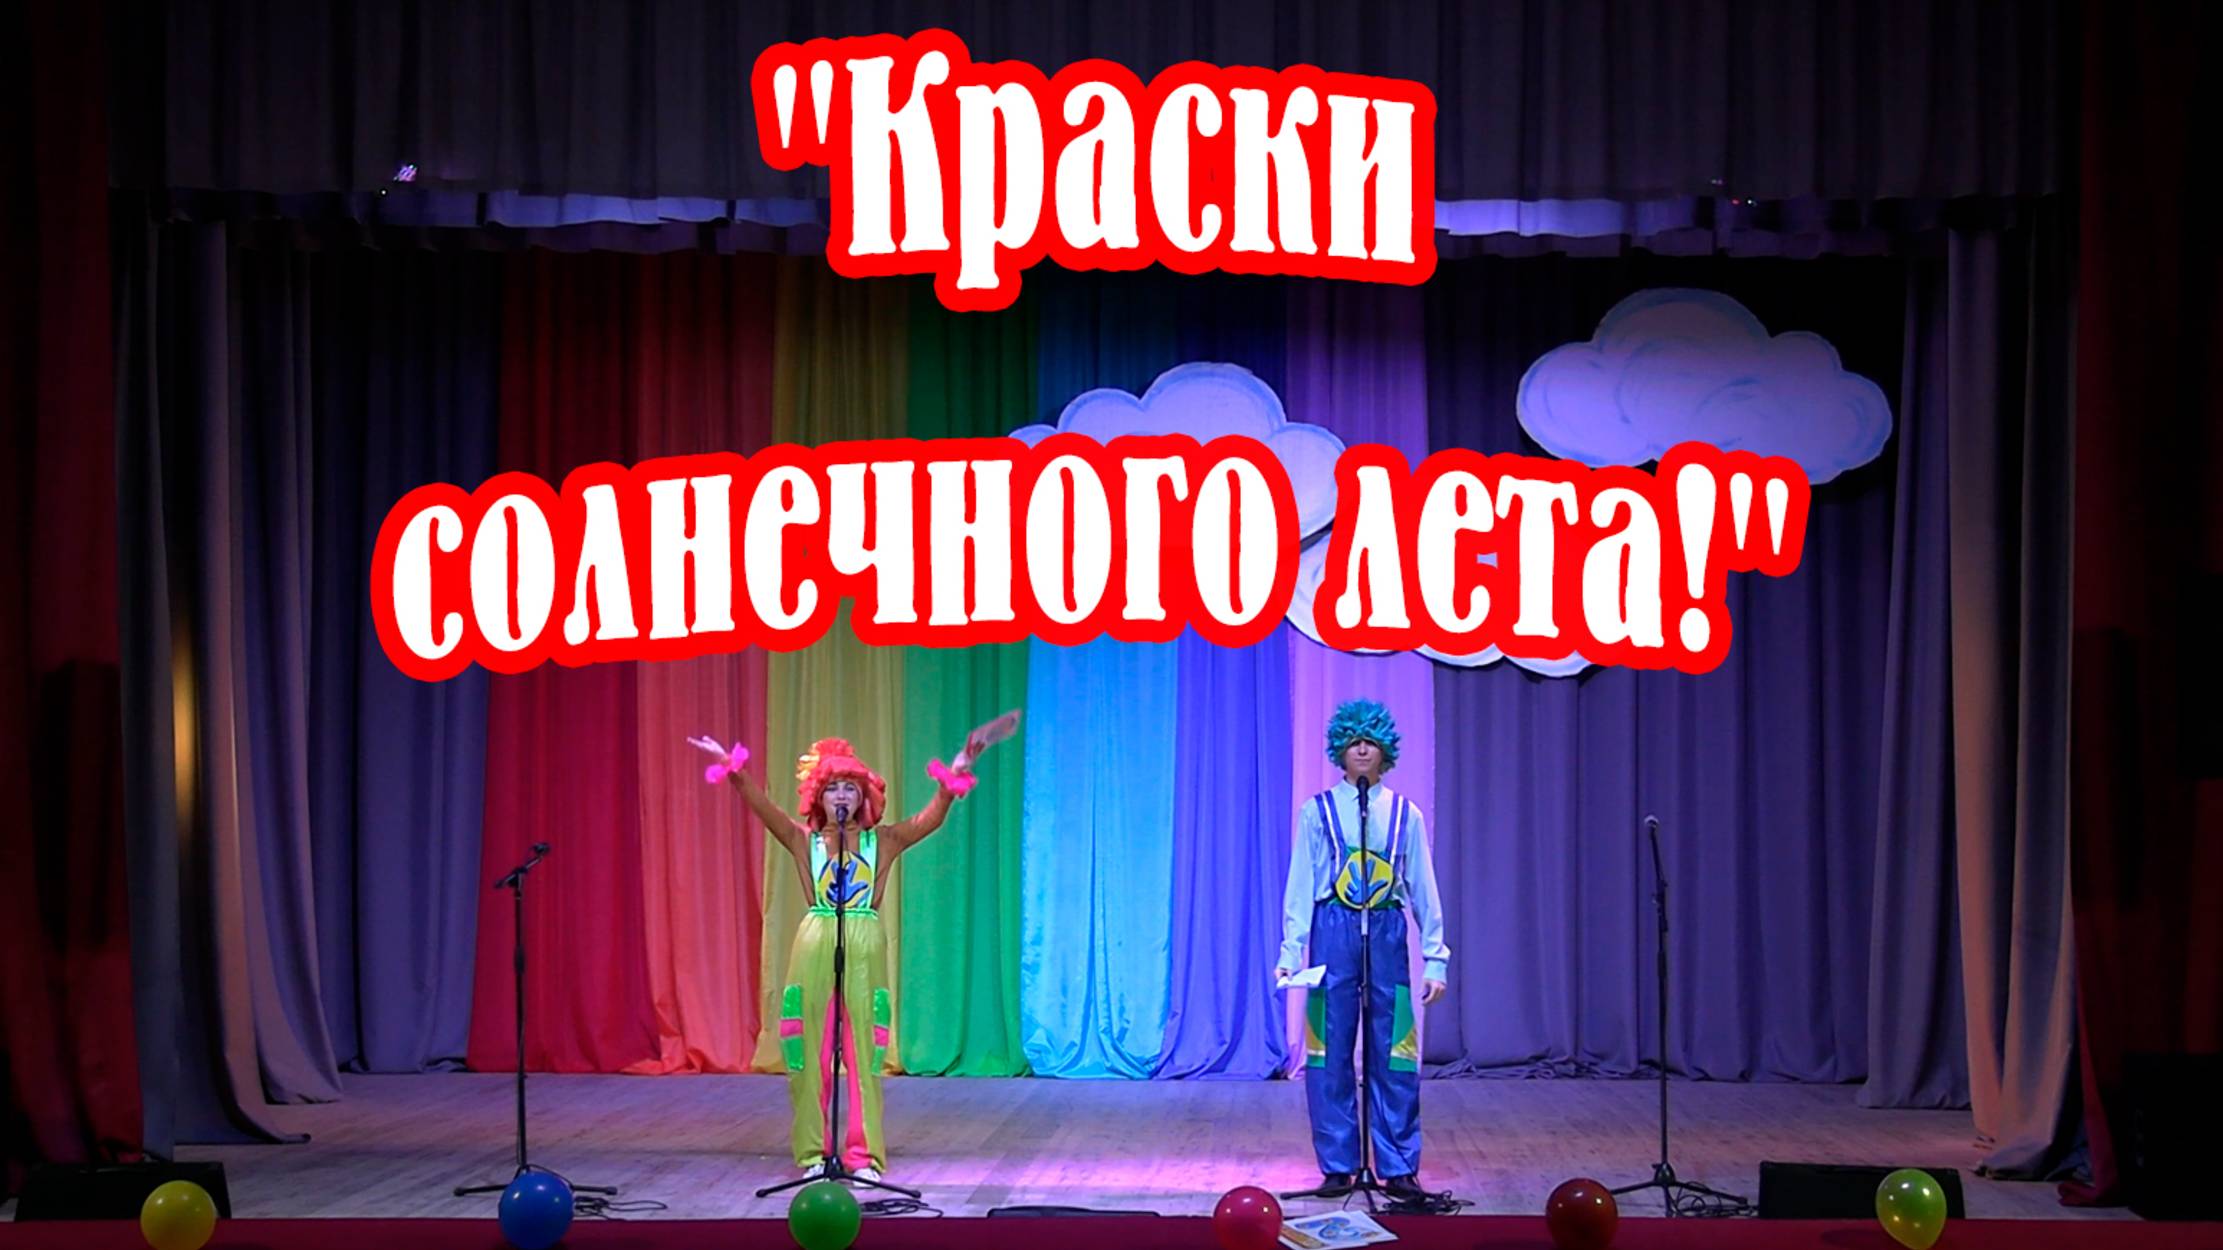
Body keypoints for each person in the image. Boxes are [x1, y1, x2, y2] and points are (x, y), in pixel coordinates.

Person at [691, 727, 997, 1183]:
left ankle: (862, 1155)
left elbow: (927, 821)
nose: (841, 795)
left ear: (863, 796)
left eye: (850, 788)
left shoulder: (883, 841)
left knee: (865, 1054)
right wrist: (732, 770)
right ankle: (813, 1152)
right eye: (833, 787)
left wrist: (953, 779)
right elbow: (765, 810)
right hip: (816, 943)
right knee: (807, 1052)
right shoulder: (804, 841)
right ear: (819, 796)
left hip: (864, 947)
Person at [1275, 699, 1448, 1201]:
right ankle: (1338, 1163)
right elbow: (1300, 884)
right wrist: (1290, 952)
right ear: (1341, 750)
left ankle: (1398, 1164)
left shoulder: (1405, 814)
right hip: (1333, 929)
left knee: (1395, 1050)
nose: (1363, 750)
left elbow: (1423, 887)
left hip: (1387, 930)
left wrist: (1435, 957)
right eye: (1354, 742)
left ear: (1385, 749)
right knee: (1327, 1049)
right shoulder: (1317, 811)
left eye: (1370, 741)